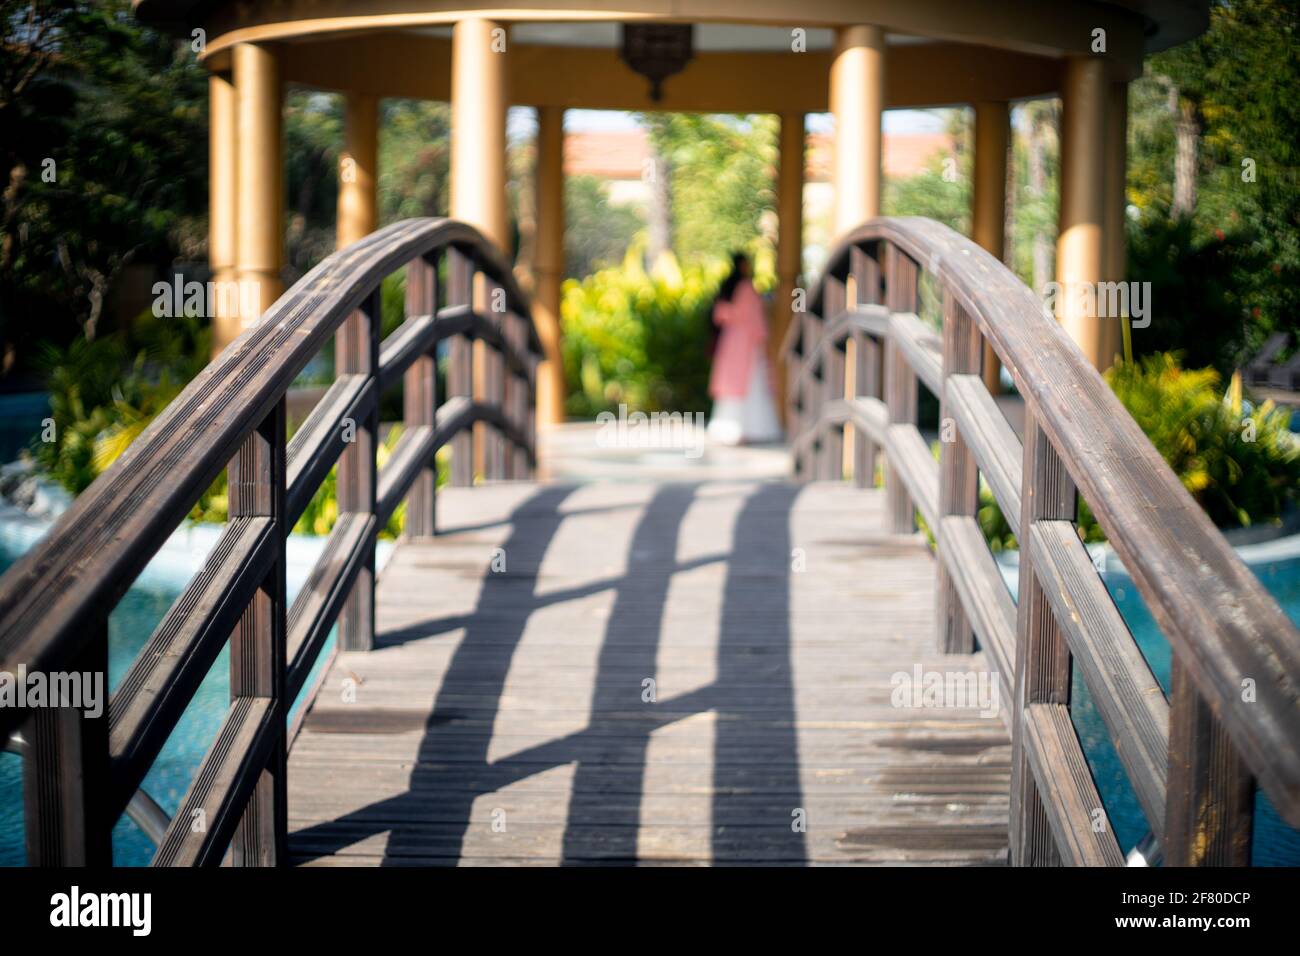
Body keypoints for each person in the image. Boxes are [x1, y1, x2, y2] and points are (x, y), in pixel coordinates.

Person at [707, 252, 783, 445]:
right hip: (747, 344)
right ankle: (748, 429)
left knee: (734, 385)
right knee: (749, 384)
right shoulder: (747, 288)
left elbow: (720, 313)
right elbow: (754, 319)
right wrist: (764, 340)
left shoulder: (728, 287)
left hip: (730, 342)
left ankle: (730, 430)